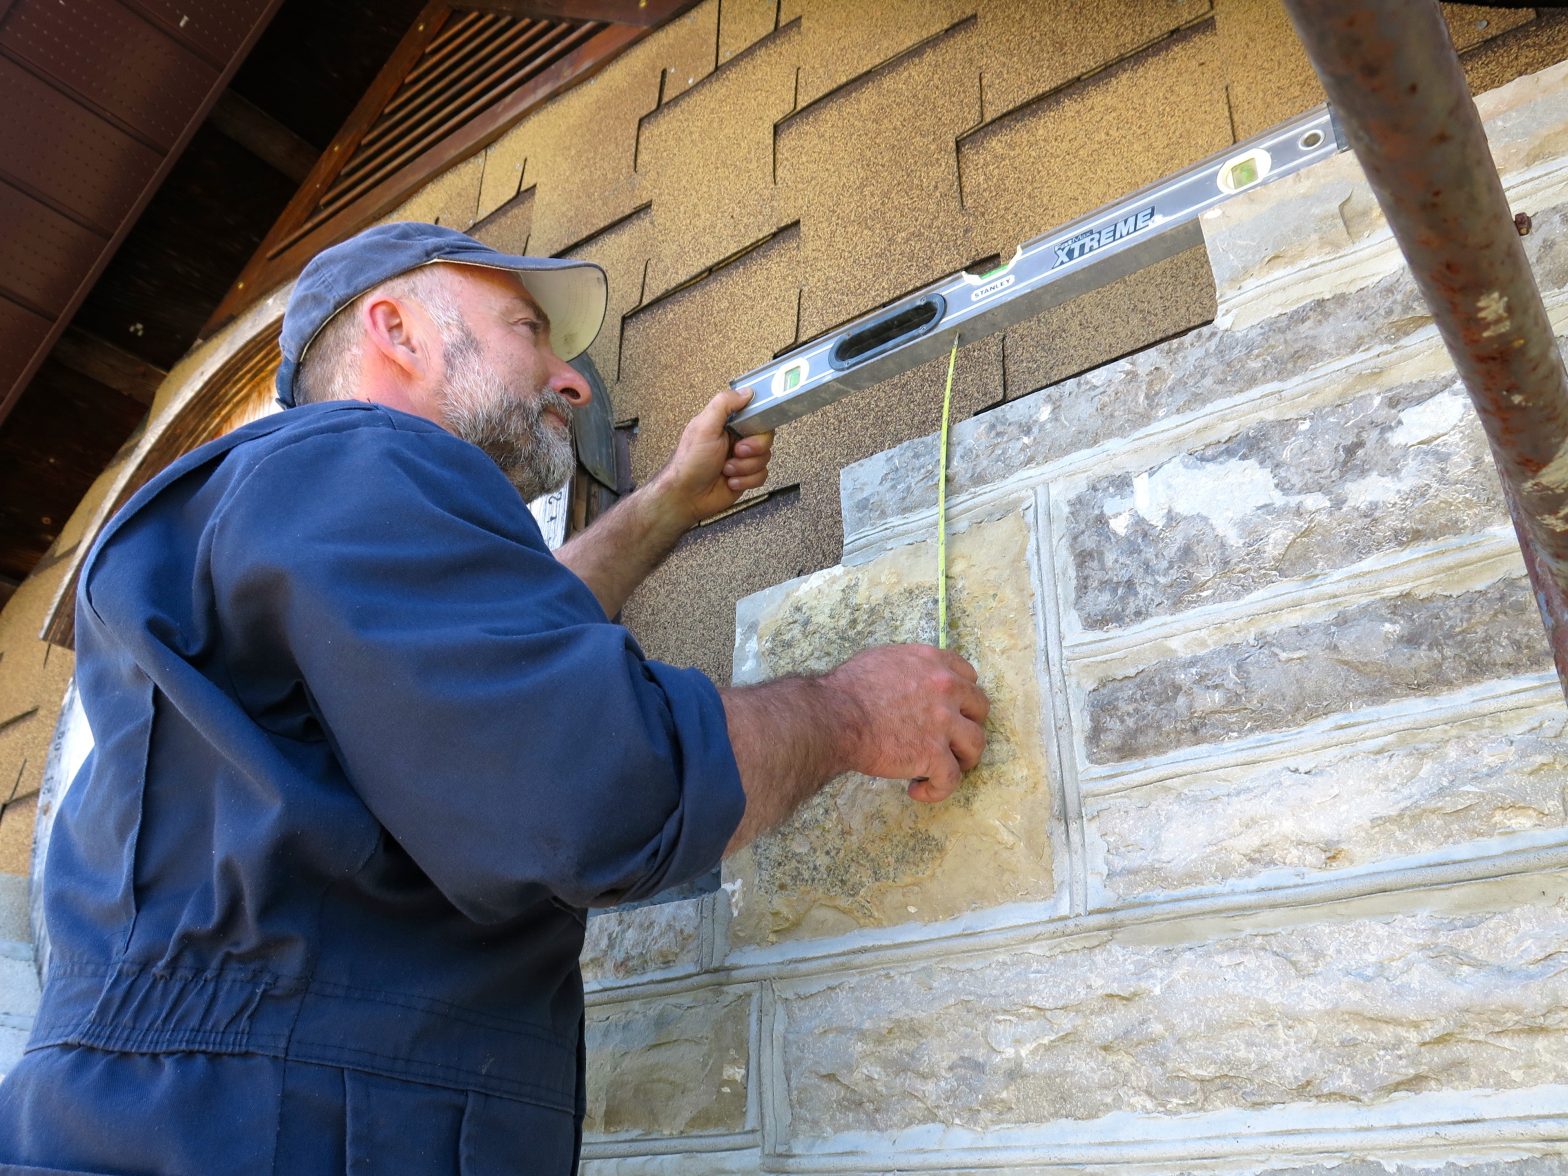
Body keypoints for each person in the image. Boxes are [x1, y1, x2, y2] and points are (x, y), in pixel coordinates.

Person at [0, 223, 990, 1174]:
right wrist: (852, 711)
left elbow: (478, 670)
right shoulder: (360, 459)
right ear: (395, 331)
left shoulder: (278, 502)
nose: (570, 378)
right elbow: (589, 786)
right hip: (290, 1125)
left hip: (162, 1111)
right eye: (528, 330)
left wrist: (665, 506)